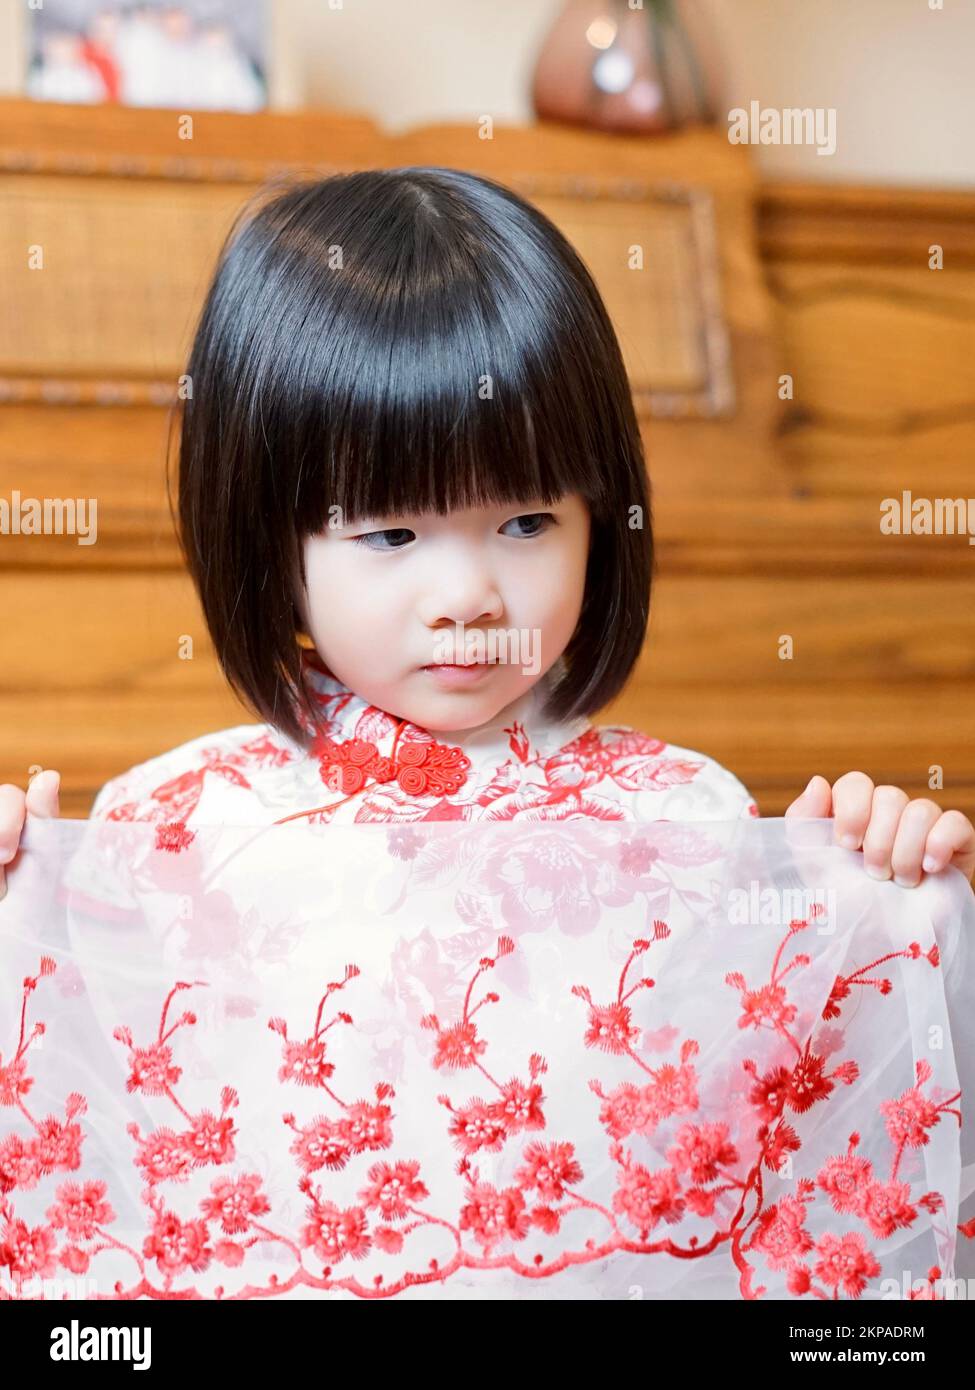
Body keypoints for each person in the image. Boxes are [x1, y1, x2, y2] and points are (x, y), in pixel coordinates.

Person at [1, 168, 973, 898]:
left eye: (525, 519)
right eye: (390, 534)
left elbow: (774, 1092)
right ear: (269, 543)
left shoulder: (687, 818)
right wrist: (20, 893)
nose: (469, 597)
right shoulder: (171, 834)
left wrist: (853, 889)